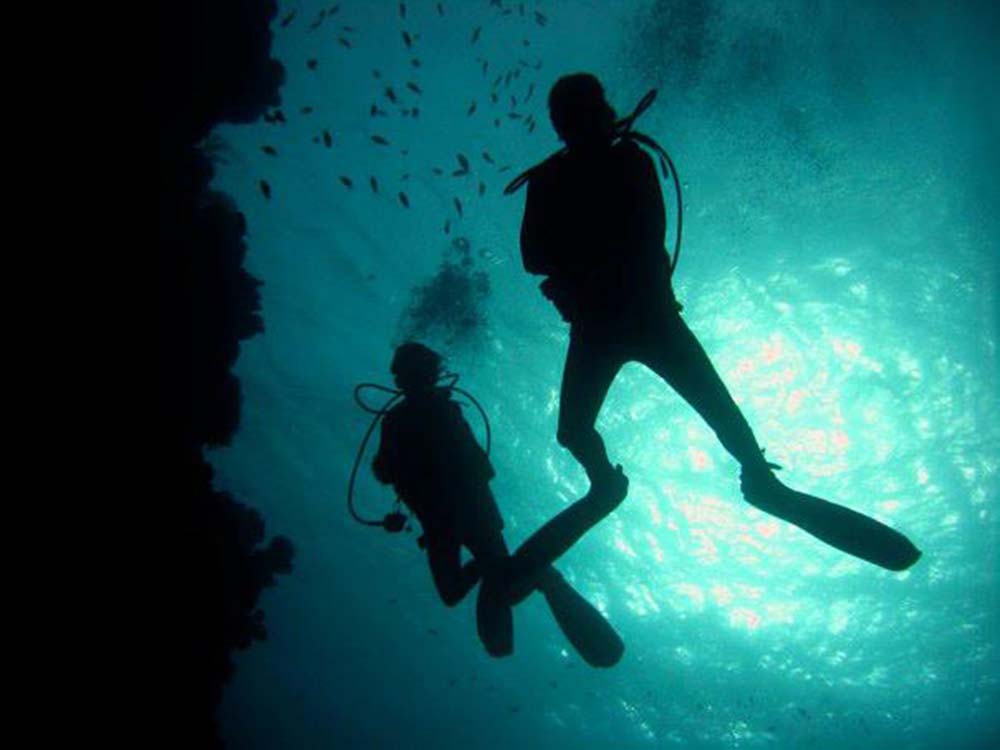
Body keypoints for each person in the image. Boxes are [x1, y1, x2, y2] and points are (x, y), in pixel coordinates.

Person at [511, 72, 920, 571]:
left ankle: (760, 481)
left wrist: (579, 260)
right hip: (616, 321)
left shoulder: (623, 162)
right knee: (577, 431)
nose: (576, 122)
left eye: (581, 111)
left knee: (707, 408)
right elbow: (534, 257)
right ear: (564, 123)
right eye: (568, 115)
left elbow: (637, 236)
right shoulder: (555, 179)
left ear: (596, 112)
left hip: (641, 316)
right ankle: (609, 484)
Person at [371, 341, 624, 666]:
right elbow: (395, 470)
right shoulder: (409, 418)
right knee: (468, 595)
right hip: (448, 518)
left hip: (465, 514)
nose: (406, 379)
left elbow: (394, 470)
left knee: (497, 617)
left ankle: (539, 572)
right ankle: (536, 572)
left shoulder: (433, 413)